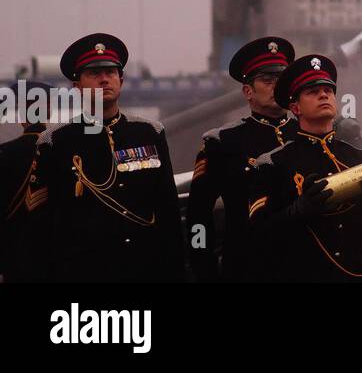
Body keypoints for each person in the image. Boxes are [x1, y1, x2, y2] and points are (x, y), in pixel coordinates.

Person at [23, 33, 186, 282]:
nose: (104, 79)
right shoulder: (55, 141)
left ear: (121, 80)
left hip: (146, 269)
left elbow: (168, 211)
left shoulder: (150, 132)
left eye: (110, 72)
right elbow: (39, 224)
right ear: (77, 87)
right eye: (93, 73)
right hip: (84, 272)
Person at [246, 54, 362, 281]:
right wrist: (300, 209)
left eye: (328, 90)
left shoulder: (360, 159)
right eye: (312, 92)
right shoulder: (272, 164)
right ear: (295, 107)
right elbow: (259, 238)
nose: (323, 94)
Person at [186, 36, 299, 281]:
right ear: (248, 91)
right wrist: (205, 271)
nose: (276, 87)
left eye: (281, 80)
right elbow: (199, 216)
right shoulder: (222, 142)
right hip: (249, 265)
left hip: (305, 263)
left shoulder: (305, 133)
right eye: (268, 81)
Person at [0, 81, 50, 281]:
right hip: (56, 257)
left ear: (21, 116)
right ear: (48, 111)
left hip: (14, 259)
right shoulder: (64, 149)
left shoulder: (4, 153)